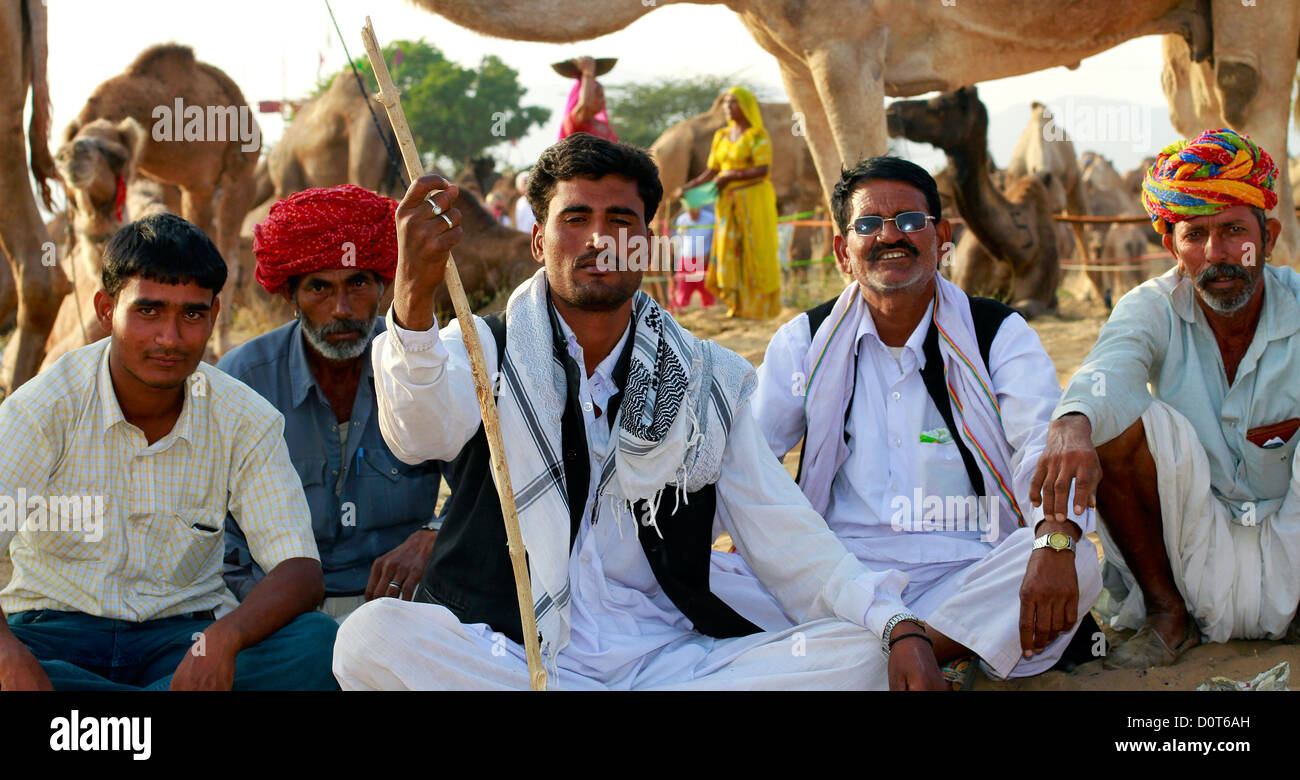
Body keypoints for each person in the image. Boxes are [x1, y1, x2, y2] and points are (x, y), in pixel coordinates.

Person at [332, 133, 949, 690]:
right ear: (538, 238)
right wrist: (413, 295)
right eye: (576, 218)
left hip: (668, 660)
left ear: (647, 243)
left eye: (620, 220)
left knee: (859, 653)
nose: (600, 240)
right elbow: (417, 435)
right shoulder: (483, 348)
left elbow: (785, 532)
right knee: (370, 638)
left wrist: (894, 622)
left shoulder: (708, 378)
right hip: (513, 655)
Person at [750, 156, 1102, 685]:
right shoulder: (805, 340)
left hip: (967, 569)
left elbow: (1040, 444)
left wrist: (1053, 540)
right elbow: (750, 461)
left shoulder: (996, 332)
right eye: (868, 225)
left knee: (1077, 561)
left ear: (943, 238)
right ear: (843, 251)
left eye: (911, 221)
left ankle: (898, 650)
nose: (891, 236)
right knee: (704, 576)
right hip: (843, 577)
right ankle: (931, 649)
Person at [0, 214, 337, 691]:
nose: (170, 338)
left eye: (192, 314)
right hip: (53, 634)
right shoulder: (44, 407)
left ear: (215, 316)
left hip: (183, 645)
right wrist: (7, 657)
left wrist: (225, 639)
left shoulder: (243, 416)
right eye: (148, 311)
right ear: (105, 309)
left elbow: (300, 571)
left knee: (318, 644)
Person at [1037, 128, 1300, 669]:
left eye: (1233, 231)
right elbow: (1110, 369)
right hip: (1190, 550)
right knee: (1111, 420)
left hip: (1290, 544)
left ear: (1268, 238)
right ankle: (1167, 616)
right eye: (1195, 235)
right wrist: (1073, 421)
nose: (1216, 254)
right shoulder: (1153, 305)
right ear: (1171, 248)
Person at [218, 185, 446, 621]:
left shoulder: (423, 364)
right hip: (277, 609)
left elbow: (487, 483)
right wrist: (264, 603)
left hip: (404, 602)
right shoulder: (244, 380)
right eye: (319, 288)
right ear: (291, 296)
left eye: (357, 283)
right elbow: (211, 520)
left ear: (384, 284)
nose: (342, 309)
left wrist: (435, 533)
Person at [681, 86, 781, 319]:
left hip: (753, 199)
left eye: (733, 102)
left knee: (754, 249)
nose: (728, 107)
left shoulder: (757, 136)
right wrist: (691, 185)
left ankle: (759, 308)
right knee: (728, 248)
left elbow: (762, 169)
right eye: (726, 103)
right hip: (726, 201)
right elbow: (713, 170)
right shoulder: (721, 136)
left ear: (745, 106)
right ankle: (736, 305)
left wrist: (730, 176)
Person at [558, 56, 619, 142]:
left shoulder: (603, 126)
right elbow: (586, 105)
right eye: (599, 95)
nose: (604, 101)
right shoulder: (574, 120)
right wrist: (588, 72)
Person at [670, 203, 716, 310]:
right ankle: (680, 316)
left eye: (695, 209)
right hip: (685, 262)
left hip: (704, 262)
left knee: (708, 296)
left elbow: (717, 239)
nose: (693, 212)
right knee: (682, 296)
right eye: (690, 209)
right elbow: (677, 240)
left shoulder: (711, 219)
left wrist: (710, 256)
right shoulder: (681, 220)